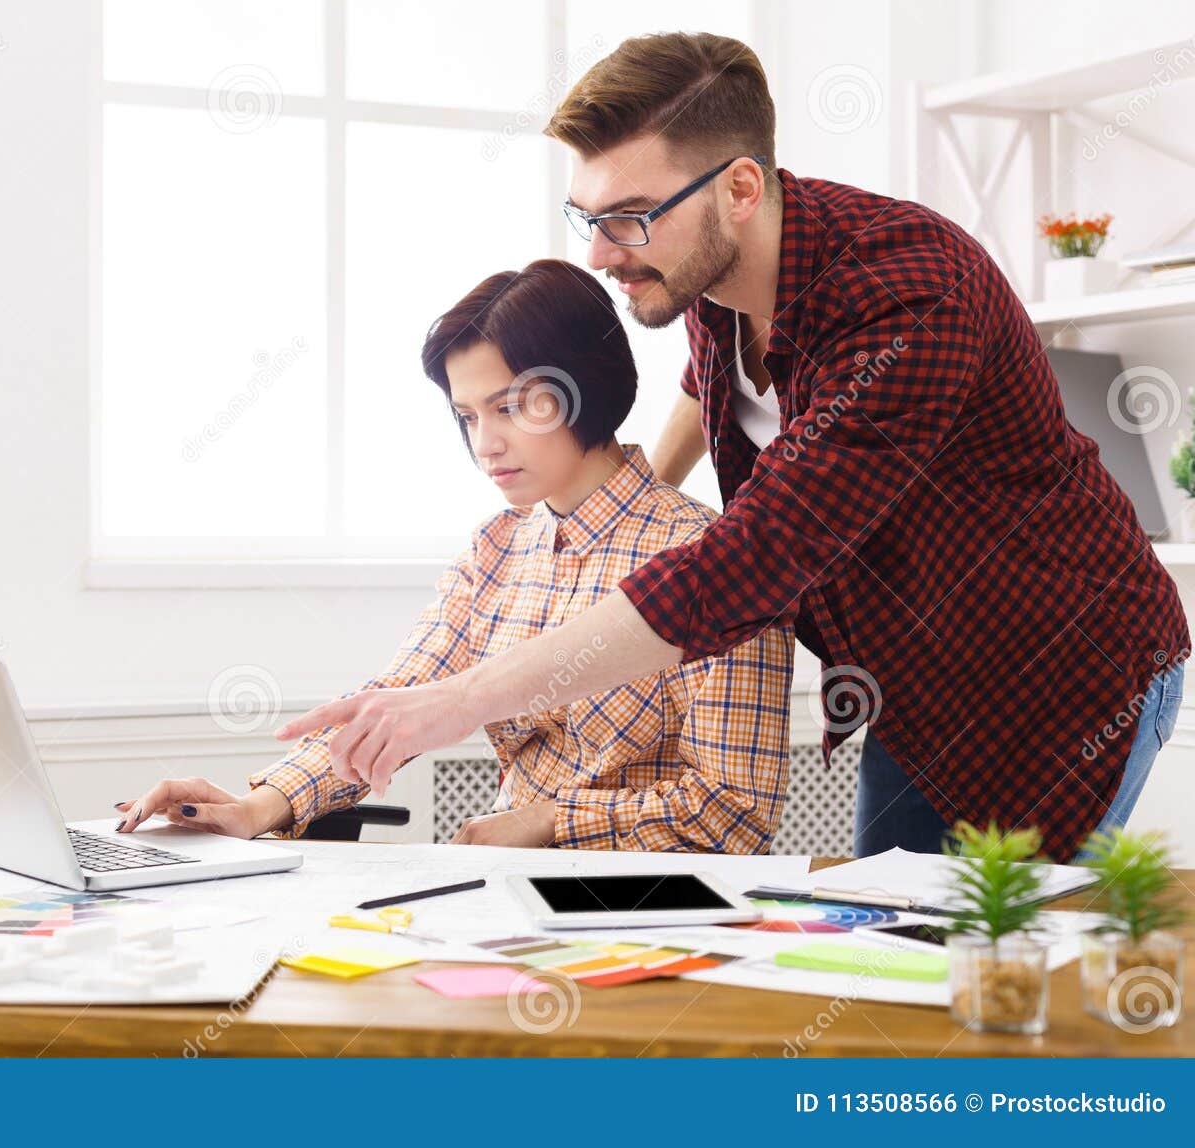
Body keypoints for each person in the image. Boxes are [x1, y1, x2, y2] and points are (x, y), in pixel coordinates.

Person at [276, 32, 1188, 863]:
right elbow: (706, 391)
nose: (601, 253)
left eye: (628, 218)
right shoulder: (708, 269)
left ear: (741, 189)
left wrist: (462, 702)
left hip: (1062, 673)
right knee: (882, 949)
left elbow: (755, 560)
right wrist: (623, 510)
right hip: (912, 685)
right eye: (586, 216)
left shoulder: (910, 298)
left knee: (982, 972)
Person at [117, 258, 795, 851]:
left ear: (583, 387)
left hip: (664, 919)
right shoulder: (497, 548)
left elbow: (730, 813)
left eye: (509, 409)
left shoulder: (714, 559)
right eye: (469, 417)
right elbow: (403, 699)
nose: (486, 445)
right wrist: (255, 809)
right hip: (509, 893)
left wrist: (550, 821)